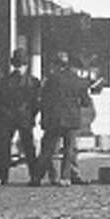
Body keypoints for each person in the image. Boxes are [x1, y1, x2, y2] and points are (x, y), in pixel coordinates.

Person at [38, 51, 92, 186]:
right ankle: (65, 177)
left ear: (55, 65)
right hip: (72, 119)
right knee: (69, 149)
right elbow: (86, 101)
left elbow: (44, 100)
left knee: (48, 149)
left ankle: (38, 177)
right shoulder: (76, 80)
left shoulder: (51, 80)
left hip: (55, 119)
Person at [0, 48, 42, 186]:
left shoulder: (33, 82)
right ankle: (2, 176)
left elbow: (36, 103)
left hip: (25, 118)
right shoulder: (5, 81)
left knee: (28, 148)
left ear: (26, 65)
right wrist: (5, 112)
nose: (19, 68)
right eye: (16, 64)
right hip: (8, 117)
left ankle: (34, 176)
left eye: (21, 65)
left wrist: (31, 115)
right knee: (3, 148)